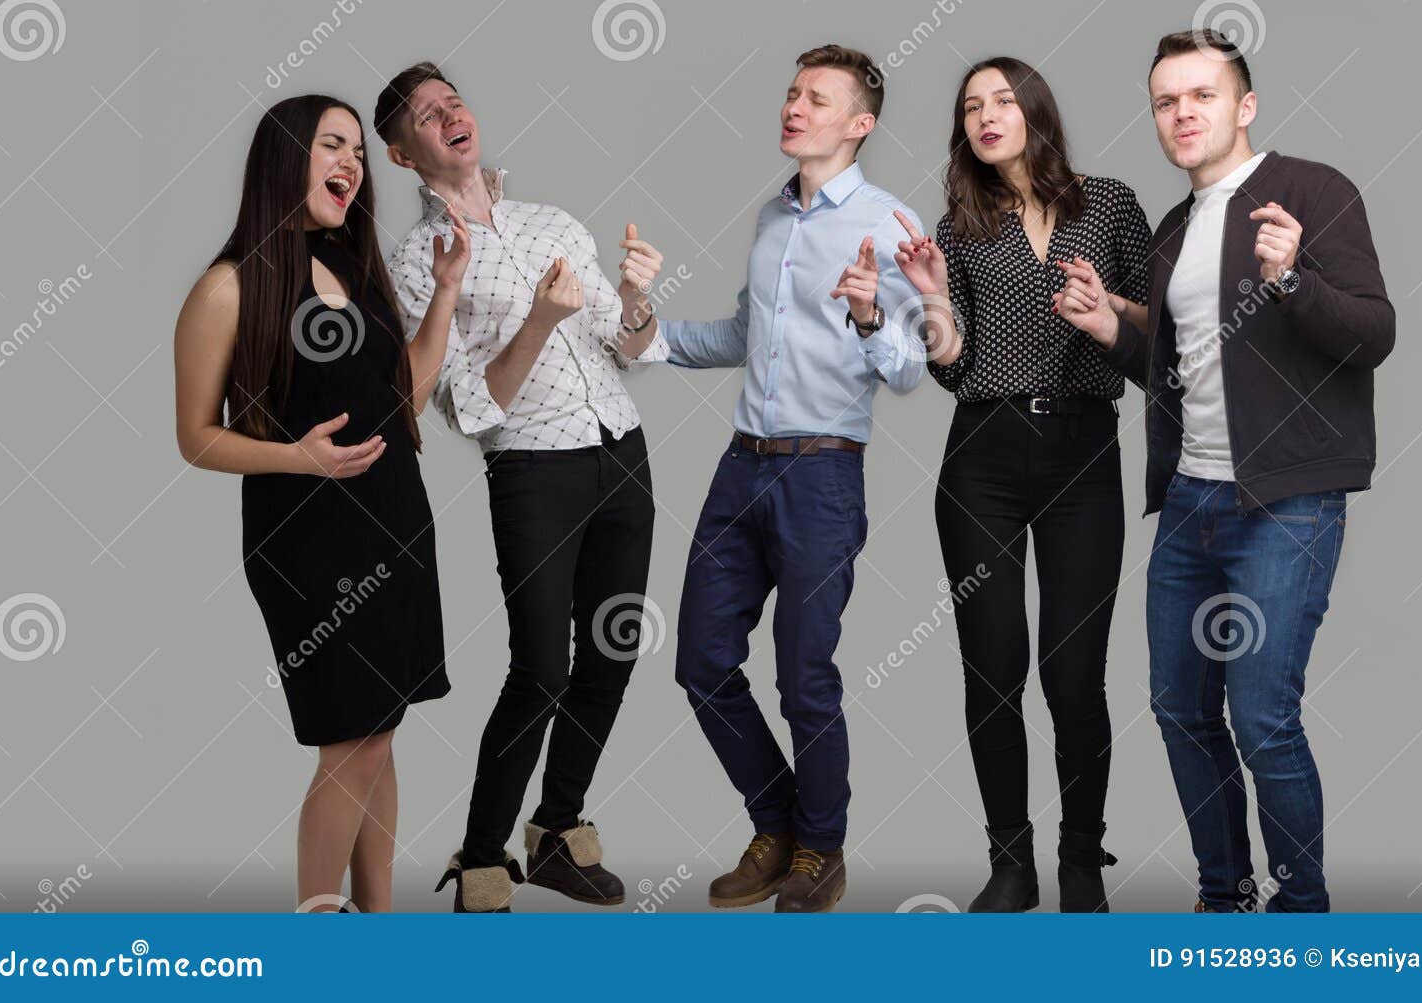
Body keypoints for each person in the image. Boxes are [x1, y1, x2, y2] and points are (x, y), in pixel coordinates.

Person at [1057, 29, 1395, 912]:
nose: (1182, 114)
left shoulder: (1312, 191)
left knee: (1263, 719)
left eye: (1201, 95)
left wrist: (1290, 279)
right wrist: (1111, 331)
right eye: (1166, 100)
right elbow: (1180, 373)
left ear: (1244, 106)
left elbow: (1374, 336)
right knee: (1179, 709)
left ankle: (1301, 909)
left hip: (1287, 502)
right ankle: (1222, 894)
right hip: (1188, 503)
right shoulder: (1175, 228)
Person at [629, 43, 925, 913]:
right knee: (701, 662)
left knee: (805, 677)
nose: (795, 107)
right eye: (792, 92)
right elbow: (740, 335)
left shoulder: (890, 223)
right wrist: (645, 326)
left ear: (858, 124)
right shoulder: (771, 219)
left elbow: (908, 369)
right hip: (739, 471)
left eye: (817, 98)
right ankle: (779, 822)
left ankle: (819, 849)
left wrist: (871, 313)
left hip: (822, 477)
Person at [374, 62, 666, 913]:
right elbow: (468, 408)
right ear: (403, 154)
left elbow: (631, 345)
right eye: (427, 116)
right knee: (542, 666)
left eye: (453, 101)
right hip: (534, 469)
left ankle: (559, 833)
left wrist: (640, 299)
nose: (450, 116)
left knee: (612, 652)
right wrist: (539, 320)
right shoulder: (415, 261)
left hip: (622, 455)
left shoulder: (553, 222)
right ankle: (478, 861)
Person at [174, 94, 468, 912]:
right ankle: (315, 935)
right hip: (307, 541)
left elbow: (401, 396)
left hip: (396, 524)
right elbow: (196, 437)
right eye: (331, 145)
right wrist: (295, 458)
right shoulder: (226, 288)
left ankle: (377, 924)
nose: (352, 162)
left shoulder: (353, 268)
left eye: (358, 152)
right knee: (352, 739)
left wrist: (444, 292)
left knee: (381, 731)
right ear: (283, 158)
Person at [892, 56, 1152, 912]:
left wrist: (1108, 307)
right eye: (971, 106)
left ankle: (1083, 858)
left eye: (1002, 99)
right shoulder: (959, 225)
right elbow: (949, 362)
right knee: (991, 668)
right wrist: (932, 297)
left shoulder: (1108, 202)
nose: (986, 115)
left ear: (1035, 109)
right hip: (984, 453)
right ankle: (1012, 862)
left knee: (1074, 675)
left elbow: (1161, 330)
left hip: (1083, 449)